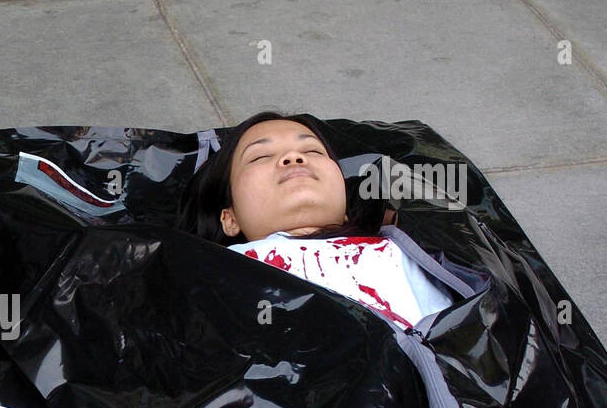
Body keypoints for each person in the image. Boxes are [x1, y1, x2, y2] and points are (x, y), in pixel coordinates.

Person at [181, 111, 454, 329]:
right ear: (230, 219)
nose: (293, 157)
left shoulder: (400, 254)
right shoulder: (216, 272)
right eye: (261, 156)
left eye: (313, 151)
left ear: (346, 206)